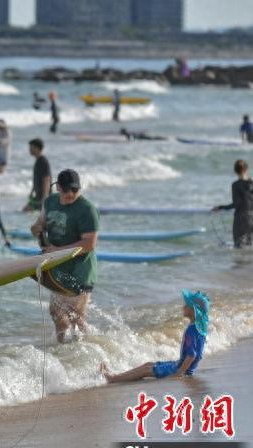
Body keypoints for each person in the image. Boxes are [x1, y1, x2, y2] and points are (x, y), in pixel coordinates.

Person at [30, 169, 99, 343]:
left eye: (75, 190)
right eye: (67, 190)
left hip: (81, 270)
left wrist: (56, 251)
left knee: (76, 317)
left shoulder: (87, 210)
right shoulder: (50, 201)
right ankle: (63, 352)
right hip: (58, 270)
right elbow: (40, 222)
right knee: (57, 314)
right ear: (58, 187)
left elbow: (89, 243)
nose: (71, 194)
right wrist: (36, 228)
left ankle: (91, 348)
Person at [100, 290, 208, 383]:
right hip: (182, 366)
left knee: (146, 370)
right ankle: (116, 375)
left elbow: (191, 355)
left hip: (179, 368)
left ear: (194, 311)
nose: (183, 307)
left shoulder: (191, 330)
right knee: (148, 364)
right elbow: (197, 354)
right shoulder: (199, 329)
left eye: (186, 305)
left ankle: (113, 378)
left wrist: (179, 373)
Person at [212, 159, 253, 248]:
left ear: (235, 171)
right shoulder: (251, 183)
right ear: (247, 169)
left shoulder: (235, 185)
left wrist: (220, 207)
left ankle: (239, 261)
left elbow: (236, 204)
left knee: (238, 246)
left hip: (240, 218)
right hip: (251, 218)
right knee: (249, 247)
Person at [23, 138, 52, 212]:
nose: (29, 150)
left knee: (26, 211)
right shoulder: (38, 161)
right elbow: (36, 179)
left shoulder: (43, 161)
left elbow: (47, 179)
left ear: (37, 148)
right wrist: (32, 191)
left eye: (31, 147)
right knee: (27, 211)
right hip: (38, 196)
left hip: (43, 196)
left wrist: (45, 197)